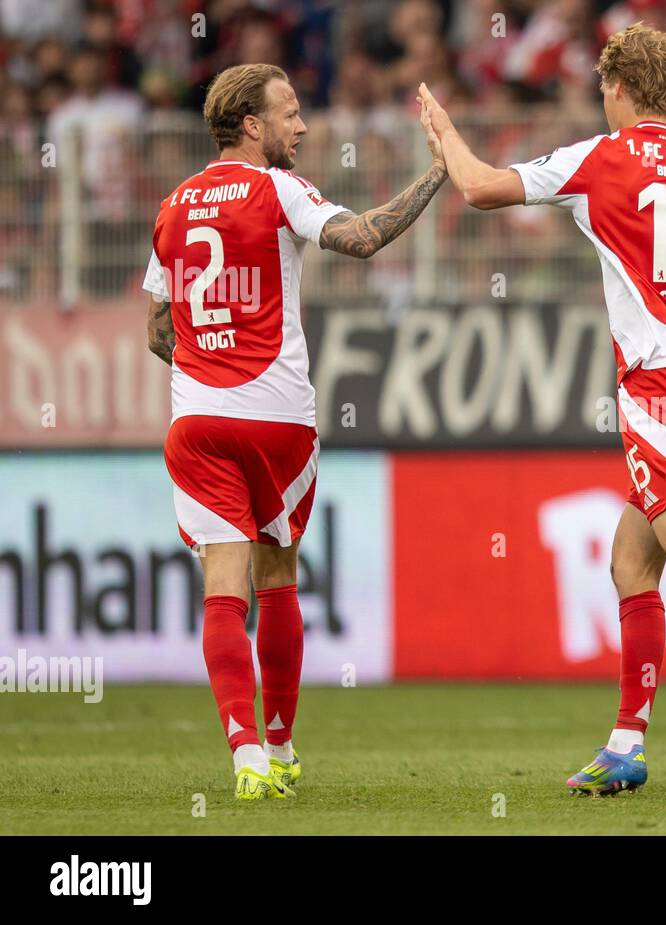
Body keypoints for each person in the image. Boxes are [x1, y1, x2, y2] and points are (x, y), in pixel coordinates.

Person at [419, 24, 666, 797]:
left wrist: (444, 134)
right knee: (632, 560)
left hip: (658, 387)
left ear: (616, 89)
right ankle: (626, 743)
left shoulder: (600, 158)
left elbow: (478, 188)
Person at [143, 63, 448, 800]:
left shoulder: (173, 206)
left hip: (199, 418)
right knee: (277, 574)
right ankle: (279, 746)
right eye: (291, 112)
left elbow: (158, 330)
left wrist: (205, 363)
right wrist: (441, 171)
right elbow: (364, 238)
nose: (303, 126)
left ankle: (242, 751)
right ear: (252, 124)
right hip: (277, 419)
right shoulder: (276, 188)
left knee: (223, 586)